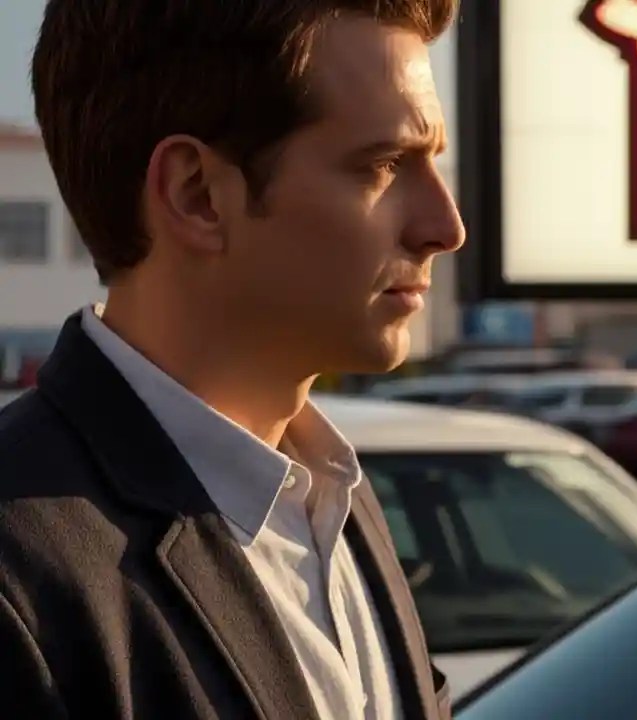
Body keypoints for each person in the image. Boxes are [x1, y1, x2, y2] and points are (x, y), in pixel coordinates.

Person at [0, 1, 464, 718]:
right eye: (383, 165)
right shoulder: (23, 575)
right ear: (196, 195)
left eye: (433, 161)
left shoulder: (330, 495)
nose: (445, 227)